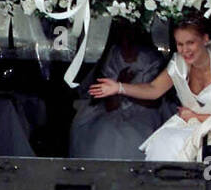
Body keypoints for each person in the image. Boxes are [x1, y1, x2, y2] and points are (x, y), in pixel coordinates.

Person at [89, 14, 211, 161]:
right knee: (162, 140)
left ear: (205, 39)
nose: (185, 50)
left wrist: (196, 117)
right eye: (180, 44)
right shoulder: (179, 63)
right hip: (189, 124)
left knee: (175, 143)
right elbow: (154, 88)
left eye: (191, 43)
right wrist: (119, 87)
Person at [69, 22, 170, 160]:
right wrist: (121, 86)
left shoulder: (151, 58)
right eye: (123, 35)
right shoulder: (112, 55)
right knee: (105, 133)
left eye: (130, 35)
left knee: (136, 136)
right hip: (114, 108)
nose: (126, 40)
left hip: (144, 110)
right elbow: (111, 105)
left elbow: (153, 100)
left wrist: (124, 88)